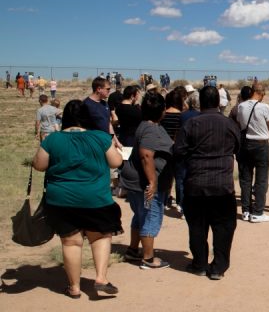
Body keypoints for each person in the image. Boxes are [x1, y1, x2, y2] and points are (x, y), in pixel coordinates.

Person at [32, 100, 123, 298]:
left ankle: (74, 287)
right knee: (99, 237)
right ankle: (100, 278)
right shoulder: (99, 137)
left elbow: (39, 165)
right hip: (95, 197)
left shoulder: (53, 139)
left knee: (71, 243)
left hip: (62, 199)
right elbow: (116, 161)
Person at [173, 86, 240, 280]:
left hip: (196, 184)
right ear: (219, 102)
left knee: (197, 226)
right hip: (223, 185)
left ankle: (200, 263)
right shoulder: (229, 124)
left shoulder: (191, 124)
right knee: (224, 227)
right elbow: (238, 146)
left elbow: (179, 151)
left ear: (200, 102)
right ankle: (218, 267)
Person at [120, 93, 173, 269]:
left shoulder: (146, 125)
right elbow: (146, 155)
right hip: (145, 184)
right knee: (151, 217)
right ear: (161, 110)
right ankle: (148, 259)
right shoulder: (151, 129)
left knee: (140, 216)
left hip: (136, 181)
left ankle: (133, 250)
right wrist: (153, 181)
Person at [236, 83, 269, 223]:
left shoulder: (241, 106)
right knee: (261, 179)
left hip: (245, 144)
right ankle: (258, 212)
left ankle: (246, 210)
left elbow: (240, 123)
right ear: (261, 93)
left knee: (245, 179)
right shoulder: (264, 107)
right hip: (261, 144)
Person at [84, 77, 123, 149]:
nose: (110, 91)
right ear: (99, 89)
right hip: (93, 146)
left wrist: (116, 141)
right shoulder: (86, 105)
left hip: (106, 143)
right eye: (107, 89)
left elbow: (109, 125)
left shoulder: (105, 104)